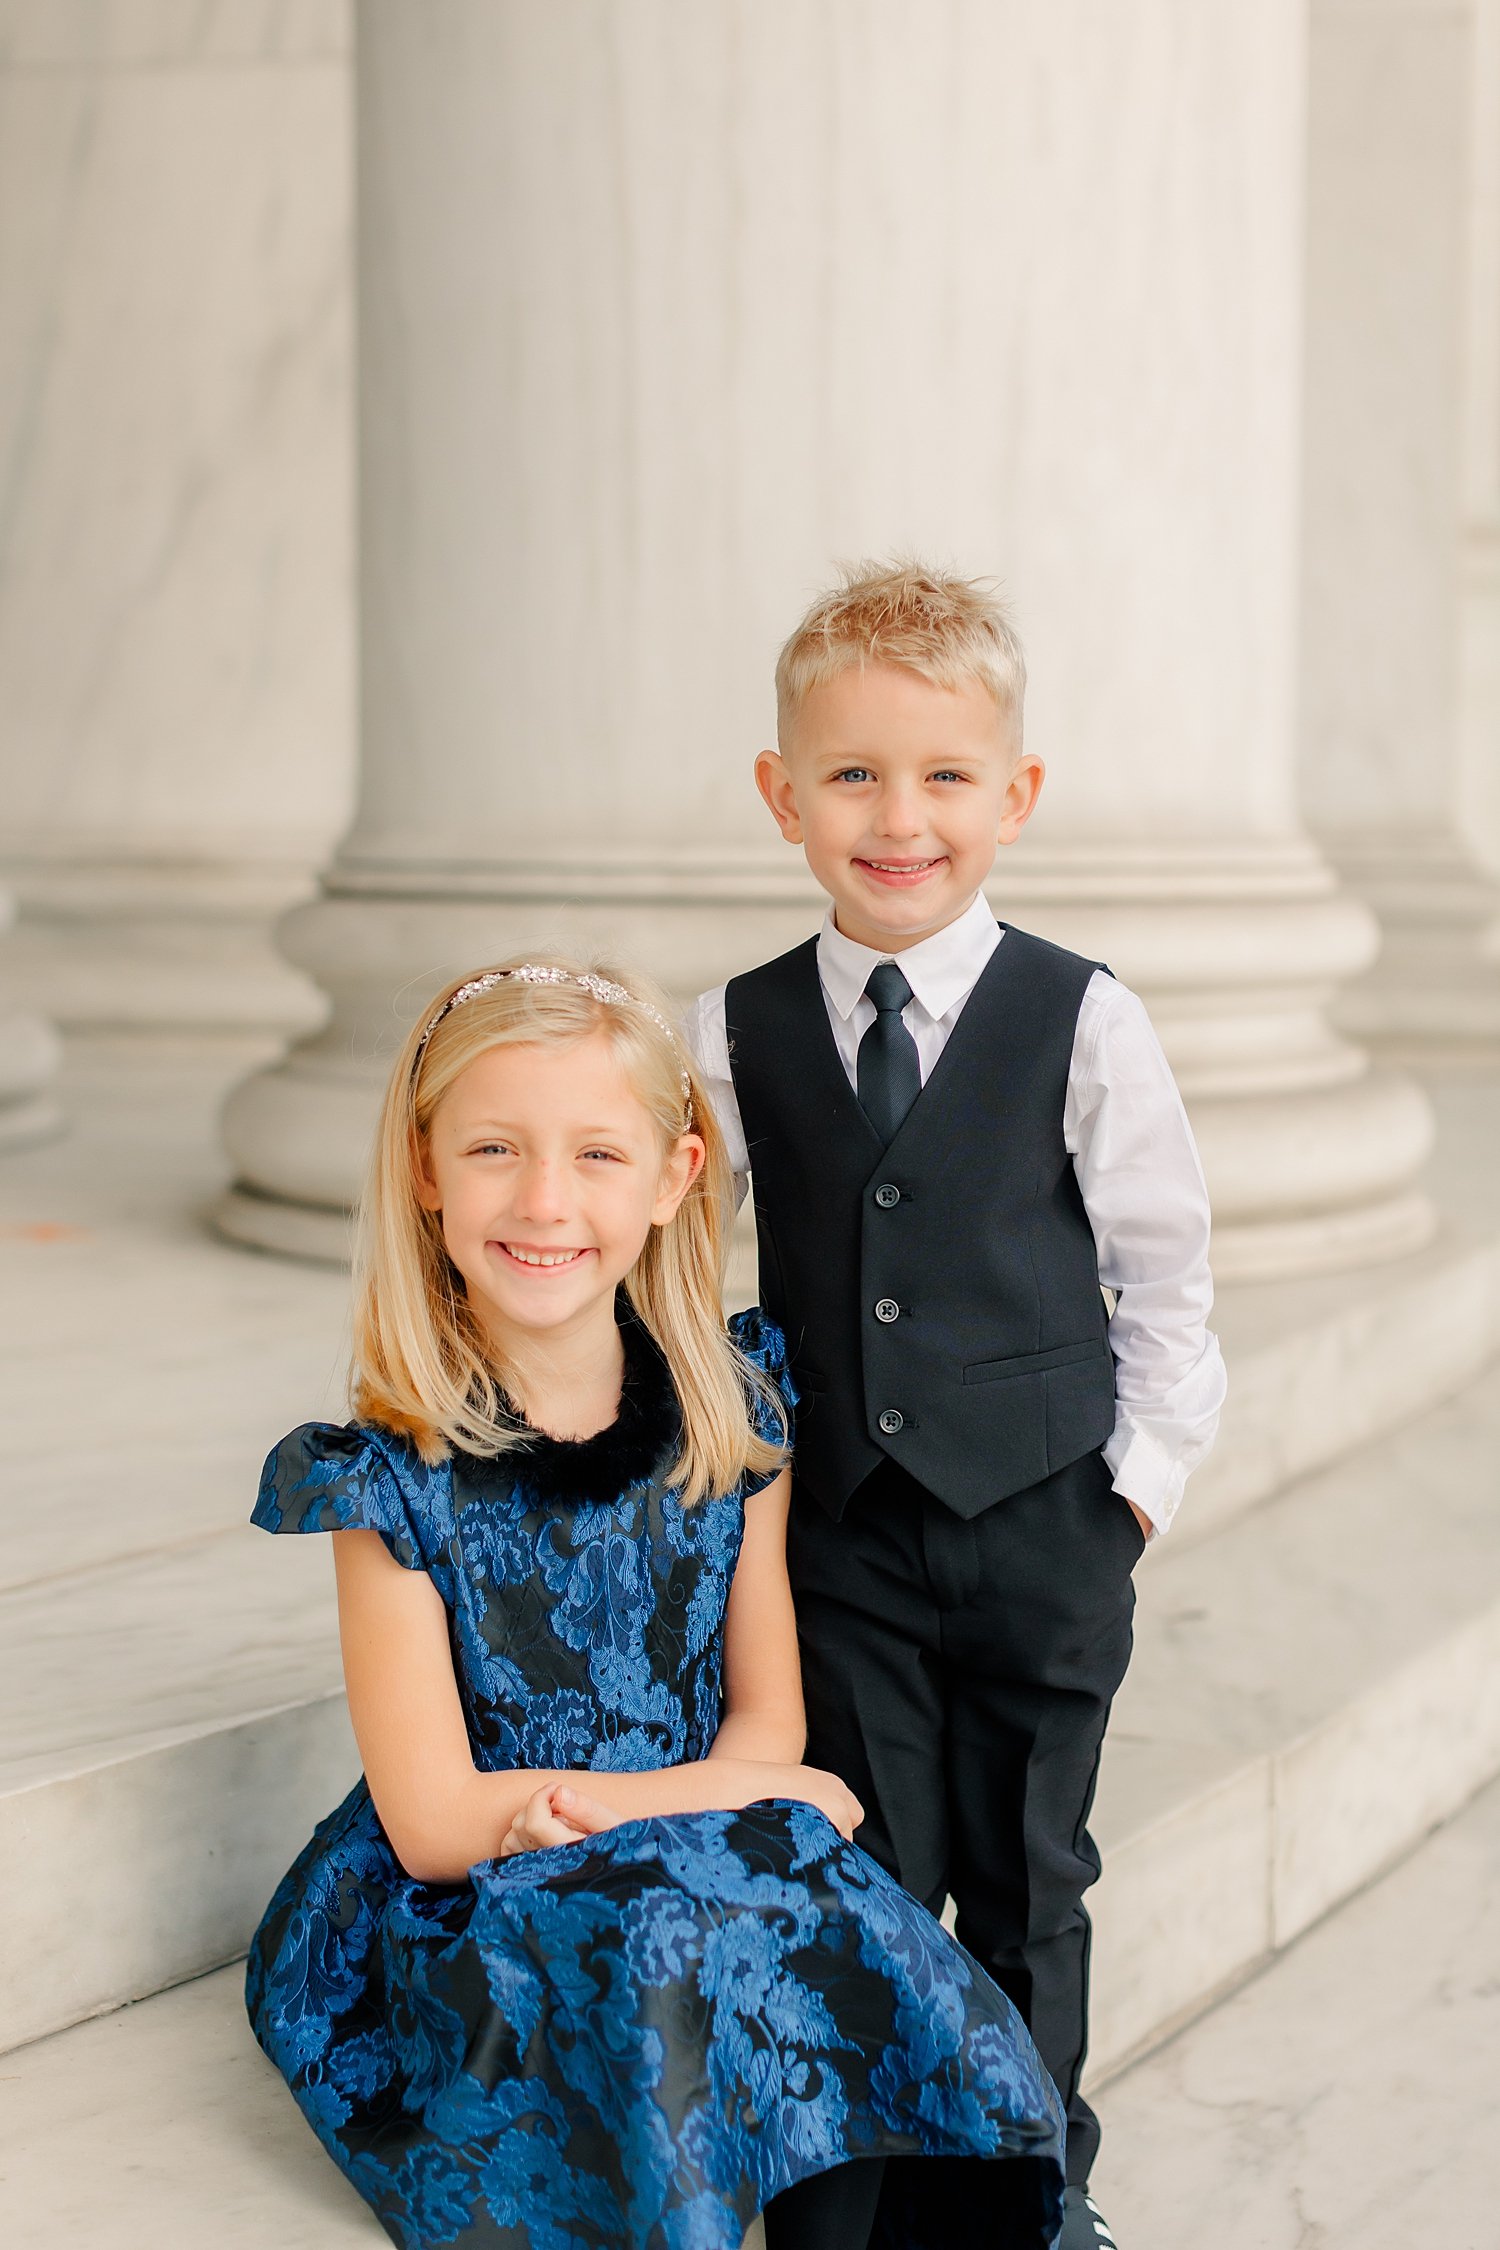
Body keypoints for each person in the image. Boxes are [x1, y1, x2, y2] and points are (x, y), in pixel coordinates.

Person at [245, 954, 1066, 2250]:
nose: (544, 1200)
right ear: (422, 1169)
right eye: (495, 1149)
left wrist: (731, 1798)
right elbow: (439, 1823)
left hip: (690, 1832)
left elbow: (765, 1719)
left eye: (595, 1156)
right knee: (669, 1921)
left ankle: (951, 2216)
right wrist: (717, 1801)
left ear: (677, 1175)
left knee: (828, 1901)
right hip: (480, 1894)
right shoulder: (388, 1475)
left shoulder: (731, 1413)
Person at [685, 561, 1227, 2250]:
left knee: (1025, 1874)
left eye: (941, 777)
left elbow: (1167, 1268)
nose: (896, 816)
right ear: (782, 795)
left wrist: (1127, 1489)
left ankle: (1024, 2189)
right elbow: (683, 1266)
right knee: (860, 1864)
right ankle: (847, 2196)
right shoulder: (734, 1027)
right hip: (841, 1539)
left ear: (1016, 797)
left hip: (1045, 1523)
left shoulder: (1084, 1017)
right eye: (850, 773)